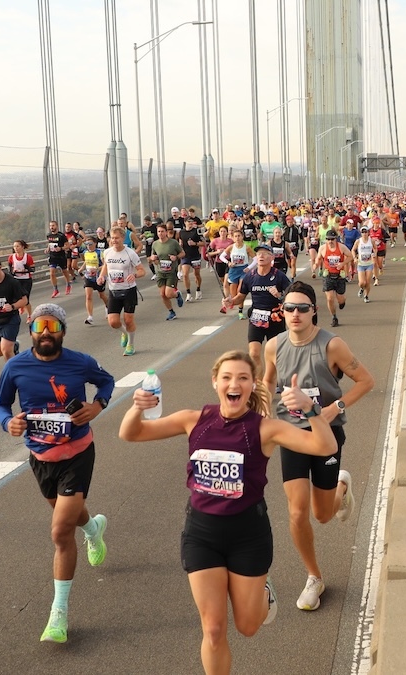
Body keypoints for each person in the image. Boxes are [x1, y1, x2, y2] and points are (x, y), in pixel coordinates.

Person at [118, 350, 336, 673]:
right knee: (214, 629)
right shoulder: (193, 420)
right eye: (227, 377)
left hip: (248, 535)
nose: (235, 384)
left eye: (243, 378)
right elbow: (130, 433)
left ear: (252, 386)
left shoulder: (265, 429)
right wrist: (137, 408)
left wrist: (310, 408)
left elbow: (325, 446)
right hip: (202, 534)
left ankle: (263, 591)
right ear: (215, 382)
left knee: (248, 627)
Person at [0, 303, 115, 642]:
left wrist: (96, 406)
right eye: (40, 325)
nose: (46, 331)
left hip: (77, 453)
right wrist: (8, 422)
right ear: (30, 329)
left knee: (61, 532)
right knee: (71, 517)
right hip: (40, 456)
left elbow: (106, 382)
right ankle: (93, 529)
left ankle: (58, 614)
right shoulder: (16, 366)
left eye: (53, 325)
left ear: (63, 330)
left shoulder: (80, 362)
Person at [262, 281, 374, 611]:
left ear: (314, 312)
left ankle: (341, 487)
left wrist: (332, 408)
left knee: (322, 515)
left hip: (326, 436)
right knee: (297, 511)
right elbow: (268, 378)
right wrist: (265, 402)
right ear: (282, 312)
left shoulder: (332, 346)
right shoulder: (274, 346)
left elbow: (366, 381)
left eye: (303, 309)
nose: (295, 314)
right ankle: (314, 577)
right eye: (290, 309)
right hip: (292, 434)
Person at [225, 245, 291, 369]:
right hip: (256, 318)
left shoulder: (279, 275)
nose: (261, 256)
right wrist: (231, 301)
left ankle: (276, 382)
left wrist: (279, 295)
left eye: (265, 253)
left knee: (276, 355)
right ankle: (258, 384)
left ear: (272, 257)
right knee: (254, 354)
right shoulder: (250, 276)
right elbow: (241, 296)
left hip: (275, 318)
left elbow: (292, 294)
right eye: (259, 253)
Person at [98, 226, 146, 356]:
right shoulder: (107, 252)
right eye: (112, 238)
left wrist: (135, 275)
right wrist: (101, 276)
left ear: (123, 238)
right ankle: (124, 333)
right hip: (114, 290)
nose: (114, 240)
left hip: (128, 290)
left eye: (117, 238)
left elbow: (142, 271)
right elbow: (106, 266)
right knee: (113, 322)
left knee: (128, 320)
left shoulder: (130, 253)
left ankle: (131, 345)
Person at [313, 229, 353, 327]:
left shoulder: (342, 247)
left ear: (336, 239)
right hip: (328, 276)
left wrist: (342, 263)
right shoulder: (323, 248)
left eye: (332, 239)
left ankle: (342, 301)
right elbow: (318, 258)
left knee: (340, 300)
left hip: (339, 276)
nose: (330, 241)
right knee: (330, 298)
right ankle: (334, 317)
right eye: (328, 239)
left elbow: (351, 256)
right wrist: (316, 265)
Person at [150, 223, 186, 321]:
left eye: (162, 231)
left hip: (171, 272)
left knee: (169, 294)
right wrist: (153, 258)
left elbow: (182, 253)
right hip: (160, 272)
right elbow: (153, 257)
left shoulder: (173, 243)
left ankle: (177, 294)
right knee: (162, 294)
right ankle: (171, 312)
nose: (160, 233)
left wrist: (176, 257)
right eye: (158, 232)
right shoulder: (155, 244)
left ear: (166, 232)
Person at [76, 236, 107, 325]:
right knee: (88, 296)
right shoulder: (85, 252)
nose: (88, 246)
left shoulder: (99, 252)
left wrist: (97, 269)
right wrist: (81, 268)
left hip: (99, 277)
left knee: (102, 295)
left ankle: (107, 306)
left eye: (90, 244)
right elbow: (86, 262)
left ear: (95, 244)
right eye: (86, 244)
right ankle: (90, 317)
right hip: (88, 277)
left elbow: (105, 265)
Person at [7, 240, 36, 323]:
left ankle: (29, 315)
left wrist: (27, 268)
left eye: (17, 246)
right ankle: (21, 307)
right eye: (14, 247)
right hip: (16, 280)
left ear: (22, 247)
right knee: (16, 298)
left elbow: (33, 269)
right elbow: (9, 269)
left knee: (26, 299)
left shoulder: (28, 257)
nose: (16, 248)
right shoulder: (11, 257)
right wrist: (12, 273)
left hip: (26, 280)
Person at [45, 220, 73, 298]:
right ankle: (55, 290)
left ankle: (68, 284)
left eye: (53, 226)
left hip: (61, 257)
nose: (51, 227)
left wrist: (60, 248)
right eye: (50, 226)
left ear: (56, 226)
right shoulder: (49, 235)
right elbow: (49, 243)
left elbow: (67, 246)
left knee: (64, 271)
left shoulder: (61, 236)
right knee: (51, 273)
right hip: (52, 257)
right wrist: (47, 249)